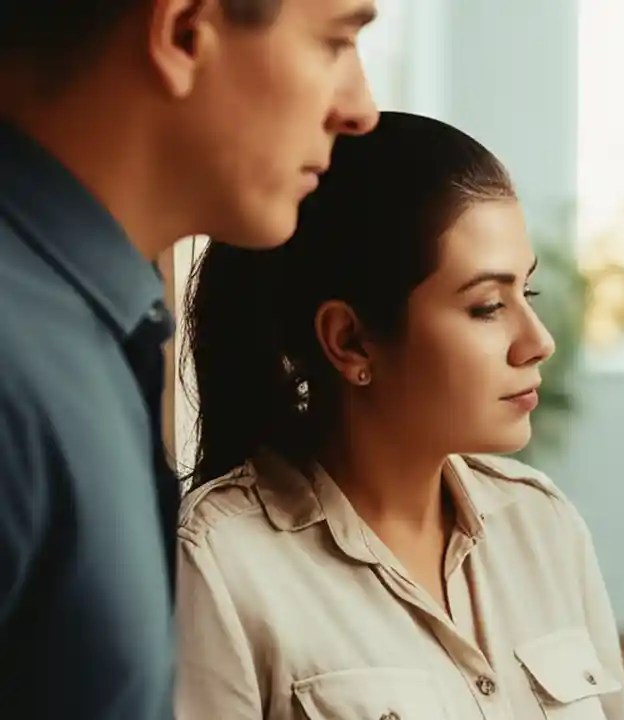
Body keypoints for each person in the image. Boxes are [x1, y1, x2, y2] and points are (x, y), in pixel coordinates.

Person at [175, 111, 624, 719]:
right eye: (487, 306)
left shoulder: (543, 526)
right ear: (350, 341)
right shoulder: (221, 565)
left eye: (528, 293)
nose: (538, 341)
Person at [0, 1, 378, 716]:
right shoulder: (20, 364)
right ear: (183, 33)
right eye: (335, 43)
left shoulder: (91, 329)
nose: (360, 110)